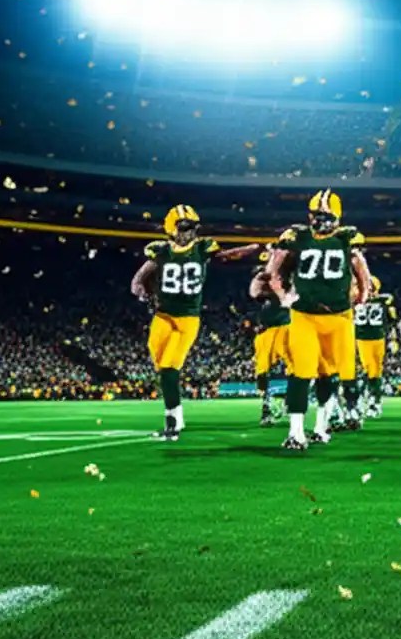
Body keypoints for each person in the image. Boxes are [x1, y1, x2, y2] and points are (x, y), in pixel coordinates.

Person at [129, 204, 260, 441]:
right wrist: (140, 289)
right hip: (162, 316)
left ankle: (173, 420)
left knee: (169, 368)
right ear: (171, 227)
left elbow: (225, 256)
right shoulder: (160, 251)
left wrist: (247, 249)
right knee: (160, 364)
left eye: (191, 227)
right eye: (184, 227)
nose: (188, 232)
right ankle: (176, 415)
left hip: (188, 318)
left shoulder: (202, 248)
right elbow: (139, 277)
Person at [266, 190, 371, 451]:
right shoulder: (297, 236)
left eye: (326, 216)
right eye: (317, 215)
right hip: (305, 316)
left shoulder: (347, 238)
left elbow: (362, 272)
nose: (321, 220)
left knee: (329, 374)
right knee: (300, 372)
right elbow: (273, 271)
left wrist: (363, 295)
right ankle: (296, 432)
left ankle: (321, 427)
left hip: (338, 318)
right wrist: (283, 295)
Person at [250, 265, 292, 426]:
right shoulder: (262, 294)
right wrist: (260, 277)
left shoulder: (287, 287)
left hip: (285, 329)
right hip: (266, 332)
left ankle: (290, 402)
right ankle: (266, 407)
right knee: (261, 371)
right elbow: (254, 293)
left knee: (295, 368)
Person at [354, 275, 397, 420]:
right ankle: (362, 400)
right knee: (366, 369)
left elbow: (392, 321)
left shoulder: (384, 300)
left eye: (370, 286)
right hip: (361, 339)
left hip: (378, 338)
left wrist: (393, 339)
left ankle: (375, 402)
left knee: (375, 372)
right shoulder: (356, 299)